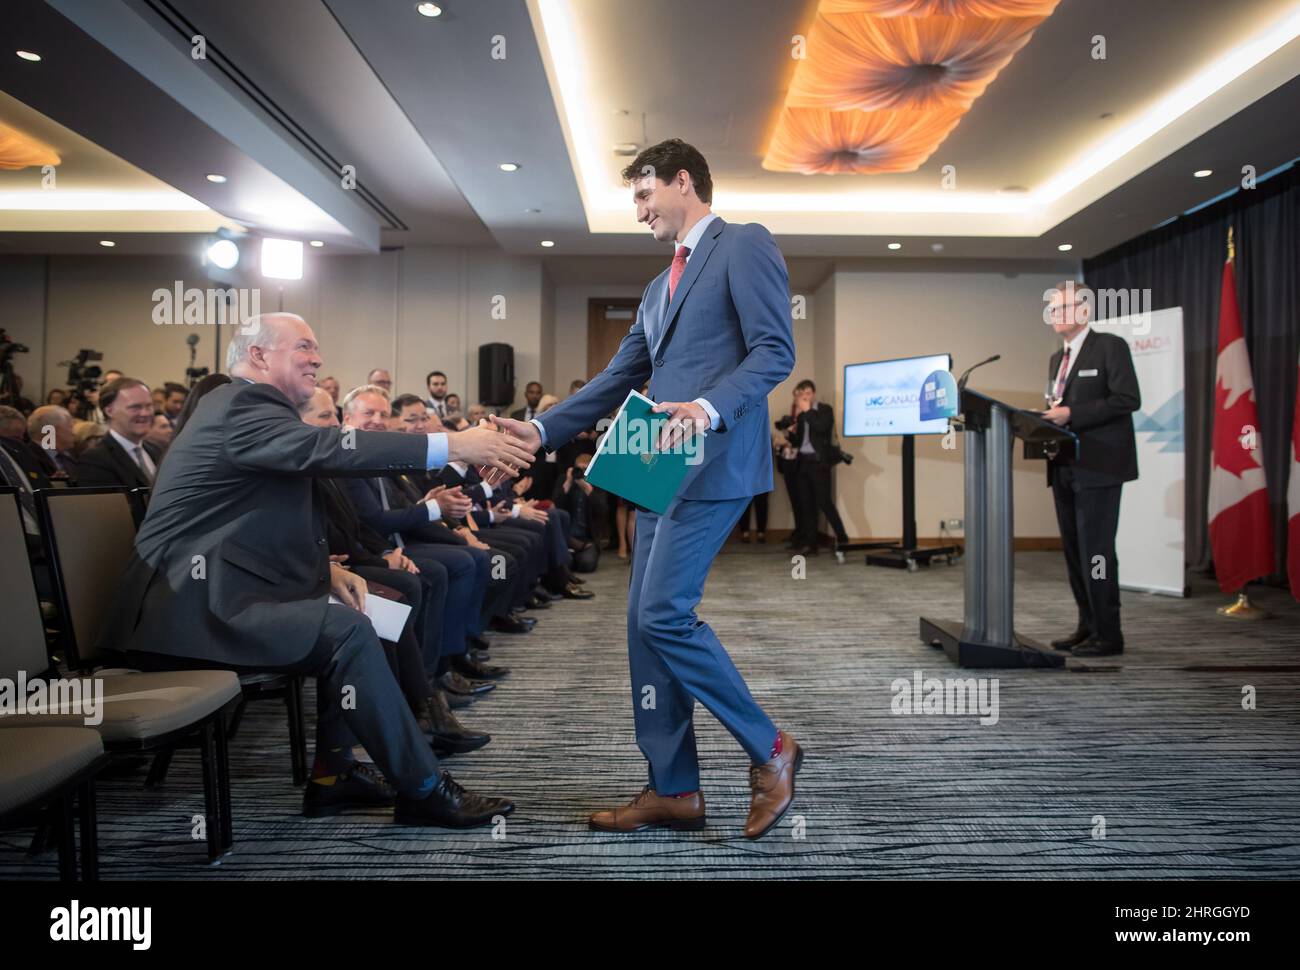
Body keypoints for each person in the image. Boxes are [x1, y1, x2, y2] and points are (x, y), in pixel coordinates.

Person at [97, 312, 536, 827]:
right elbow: (331, 450)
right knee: (347, 628)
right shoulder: (241, 402)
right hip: (189, 607)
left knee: (374, 610)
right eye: (303, 347)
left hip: (226, 591)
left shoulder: (255, 411)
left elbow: (259, 516)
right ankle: (422, 789)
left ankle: (335, 774)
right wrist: (454, 445)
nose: (317, 358)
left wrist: (326, 573)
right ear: (259, 355)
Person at [491, 138, 802, 839]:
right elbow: (612, 381)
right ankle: (675, 789)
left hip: (715, 458)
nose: (638, 211)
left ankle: (774, 750)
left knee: (664, 613)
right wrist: (533, 434)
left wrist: (706, 407)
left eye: (642, 194)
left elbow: (775, 350)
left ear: (683, 180)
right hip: (656, 467)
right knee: (642, 629)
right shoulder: (659, 289)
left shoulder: (743, 244)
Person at [1040, 281, 1140, 658]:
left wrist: (1072, 414)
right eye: (1052, 308)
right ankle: (1087, 625)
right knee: (1074, 552)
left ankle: (1109, 633)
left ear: (1084, 310)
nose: (1054, 314)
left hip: (1099, 466)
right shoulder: (1057, 359)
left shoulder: (1109, 347)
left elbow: (1128, 399)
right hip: (1064, 466)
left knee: (1096, 553)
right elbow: (1058, 403)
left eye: (1062, 307)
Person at [785, 379, 849, 558]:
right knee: (806, 505)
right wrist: (789, 433)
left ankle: (843, 538)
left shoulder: (824, 410)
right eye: (801, 394)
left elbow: (822, 428)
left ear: (813, 393)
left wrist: (807, 410)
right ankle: (810, 544)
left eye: (806, 394)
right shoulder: (803, 415)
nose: (803, 397)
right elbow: (799, 441)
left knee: (824, 502)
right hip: (803, 462)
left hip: (819, 463)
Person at [76, 377, 163, 488]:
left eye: (149, 406)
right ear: (110, 411)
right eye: (135, 407)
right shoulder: (94, 460)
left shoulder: (157, 451)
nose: (145, 413)